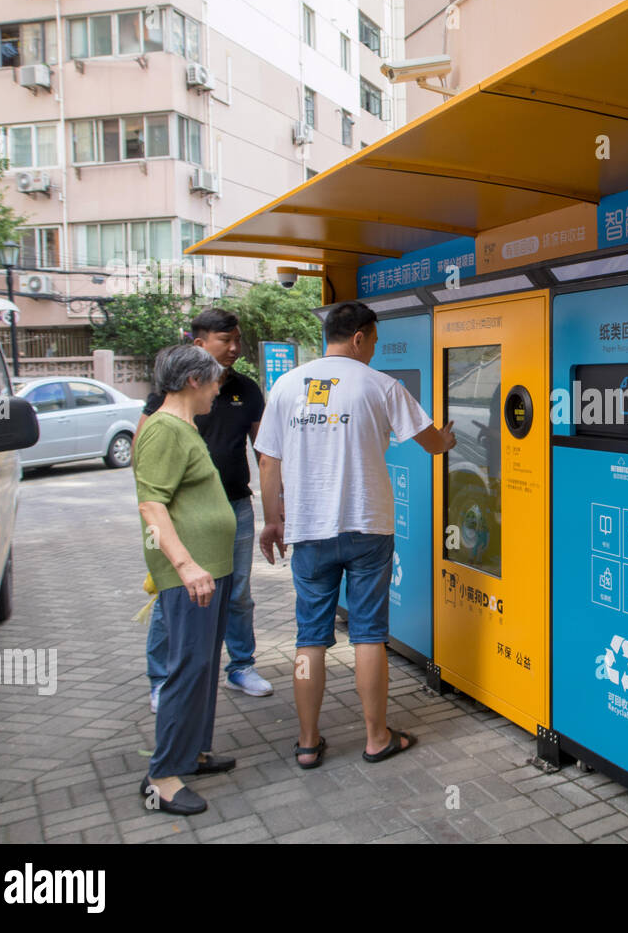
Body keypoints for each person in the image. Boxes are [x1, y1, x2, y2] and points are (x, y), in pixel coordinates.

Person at [255, 301, 454, 770]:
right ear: (361, 337)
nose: (374, 351)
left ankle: (307, 742)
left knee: (310, 639)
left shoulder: (287, 385)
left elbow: (268, 460)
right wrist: (446, 442)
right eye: (375, 342)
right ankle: (376, 737)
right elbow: (429, 441)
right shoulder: (380, 385)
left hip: (308, 530)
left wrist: (273, 519)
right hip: (368, 527)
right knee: (368, 635)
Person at [139, 308, 272, 711]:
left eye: (238, 340)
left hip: (234, 507)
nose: (234, 348)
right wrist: (162, 522)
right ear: (199, 345)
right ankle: (164, 679)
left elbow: (264, 452)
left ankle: (239, 666)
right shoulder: (169, 399)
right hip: (182, 517)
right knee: (175, 597)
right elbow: (145, 469)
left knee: (237, 594)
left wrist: (276, 512)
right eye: (224, 340)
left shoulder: (246, 390)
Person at [134, 345, 238, 816]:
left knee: (202, 666)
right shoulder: (162, 429)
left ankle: (190, 752)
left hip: (212, 568)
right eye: (215, 381)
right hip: (192, 573)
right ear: (194, 381)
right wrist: (186, 565)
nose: (220, 389)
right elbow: (150, 505)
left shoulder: (183, 427)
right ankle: (162, 776)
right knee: (188, 668)